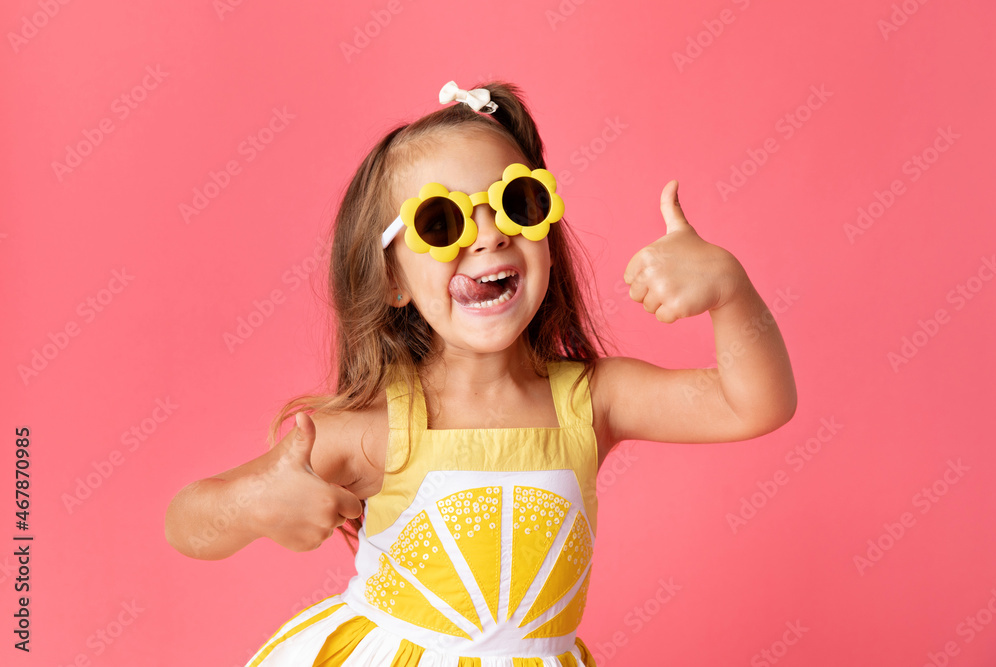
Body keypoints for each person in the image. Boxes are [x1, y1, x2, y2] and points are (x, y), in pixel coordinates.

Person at [165, 79, 796, 666]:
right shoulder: (374, 430)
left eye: (517, 204)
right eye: (440, 222)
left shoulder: (594, 399)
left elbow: (754, 405)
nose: (489, 237)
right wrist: (253, 504)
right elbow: (188, 522)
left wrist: (729, 292)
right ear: (391, 279)